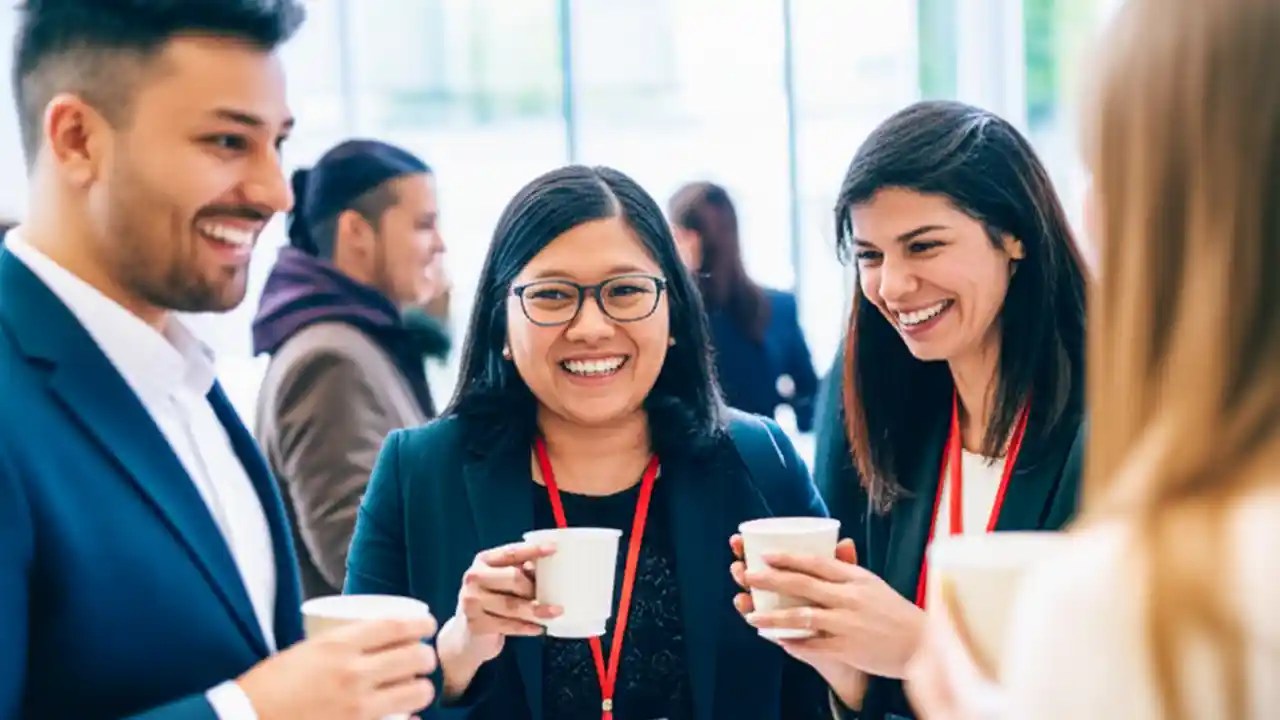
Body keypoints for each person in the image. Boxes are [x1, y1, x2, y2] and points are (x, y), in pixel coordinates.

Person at [0, 2, 436, 718]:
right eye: (228, 142)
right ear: (77, 139)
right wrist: (251, 711)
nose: (275, 192)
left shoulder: (188, 382)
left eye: (278, 143)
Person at [345, 165, 843, 719]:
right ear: (499, 323)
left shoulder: (759, 464)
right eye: (553, 295)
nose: (590, 327)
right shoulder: (419, 474)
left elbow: (823, 697)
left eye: (625, 291)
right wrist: (459, 649)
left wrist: (851, 654)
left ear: (674, 312)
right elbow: (350, 700)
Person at [908, 1, 1280, 718]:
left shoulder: (1143, 598)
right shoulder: (890, 422)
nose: (895, 284)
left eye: (1101, 170)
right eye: (867, 255)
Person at [731, 100, 1089, 719]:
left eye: (923, 246)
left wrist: (922, 648)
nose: (892, 286)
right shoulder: (874, 401)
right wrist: (846, 667)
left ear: (1014, 236)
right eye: (870, 255)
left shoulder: (1121, 422)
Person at [253, 139, 447, 599]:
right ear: (356, 231)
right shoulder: (330, 360)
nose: (439, 245)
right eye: (424, 225)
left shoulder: (359, 342)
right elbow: (358, 558)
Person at [668, 182, 820, 431]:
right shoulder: (777, 308)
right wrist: (784, 396)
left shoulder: (673, 314)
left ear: (686, 238)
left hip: (687, 461)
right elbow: (811, 403)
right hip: (760, 460)